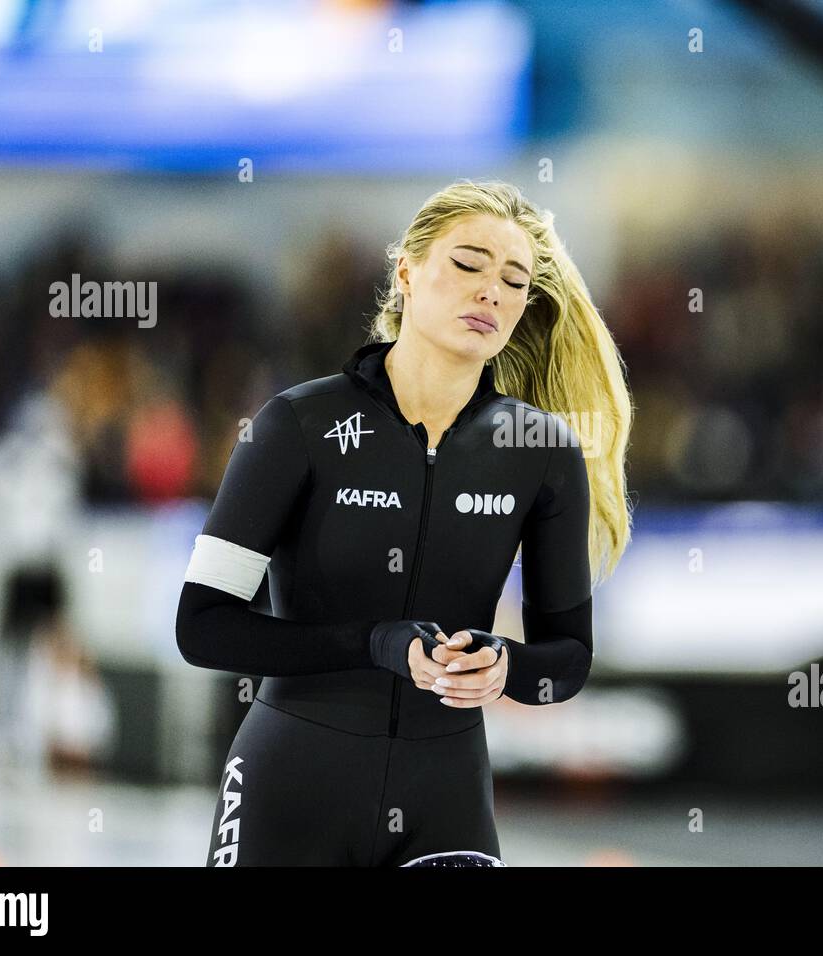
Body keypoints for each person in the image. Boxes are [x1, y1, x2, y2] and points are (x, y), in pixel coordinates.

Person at [175, 179, 633, 866]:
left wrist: (503, 667)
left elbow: (566, 661)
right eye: (469, 263)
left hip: (444, 800)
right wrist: (375, 643)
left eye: (514, 280)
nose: (491, 292)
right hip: (292, 783)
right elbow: (202, 625)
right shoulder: (300, 425)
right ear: (408, 272)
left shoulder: (539, 453)